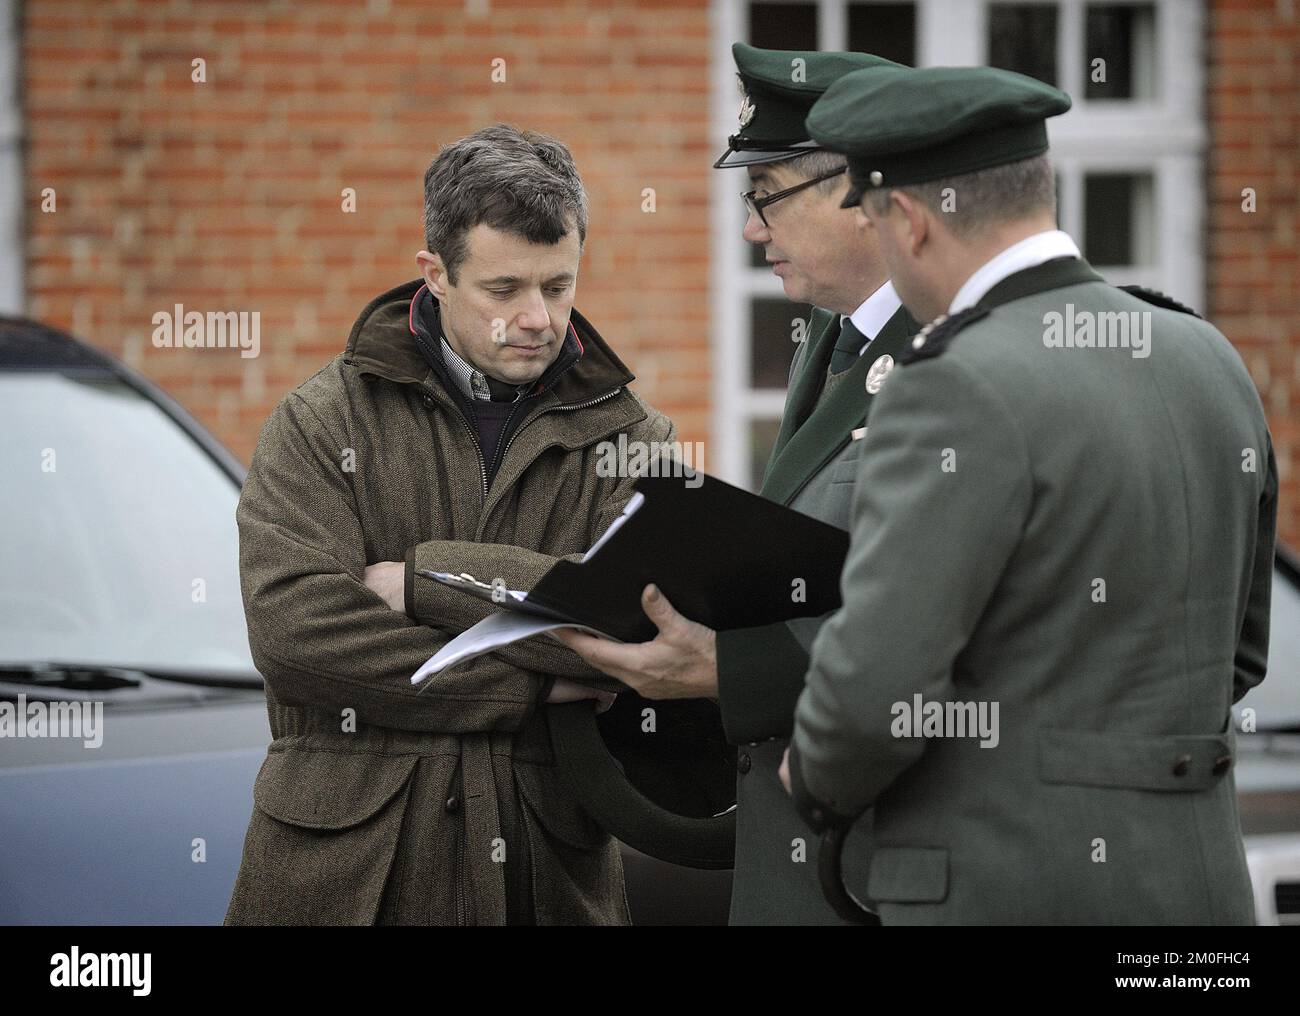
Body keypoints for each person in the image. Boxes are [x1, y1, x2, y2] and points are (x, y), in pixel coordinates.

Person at [779, 64, 1277, 924]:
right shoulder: (1208, 359)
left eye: (871, 217)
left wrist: (814, 774)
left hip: (1008, 888)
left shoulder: (950, 384)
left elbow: (877, 693)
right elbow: (1240, 654)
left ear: (908, 217)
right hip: (1201, 898)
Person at [225, 124, 674, 925]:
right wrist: (537, 681)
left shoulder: (635, 442)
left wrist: (425, 578)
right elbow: (298, 636)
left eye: (559, 285)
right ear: (434, 273)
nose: (538, 318)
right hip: (341, 881)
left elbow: (630, 626)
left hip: (544, 876)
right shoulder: (321, 422)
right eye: (504, 290)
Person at [554, 43, 917, 925]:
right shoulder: (838, 343)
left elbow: (929, 633)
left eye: (767, 195)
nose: (752, 228)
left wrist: (723, 668)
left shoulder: (947, 360)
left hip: (879, 862)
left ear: (861, 193)